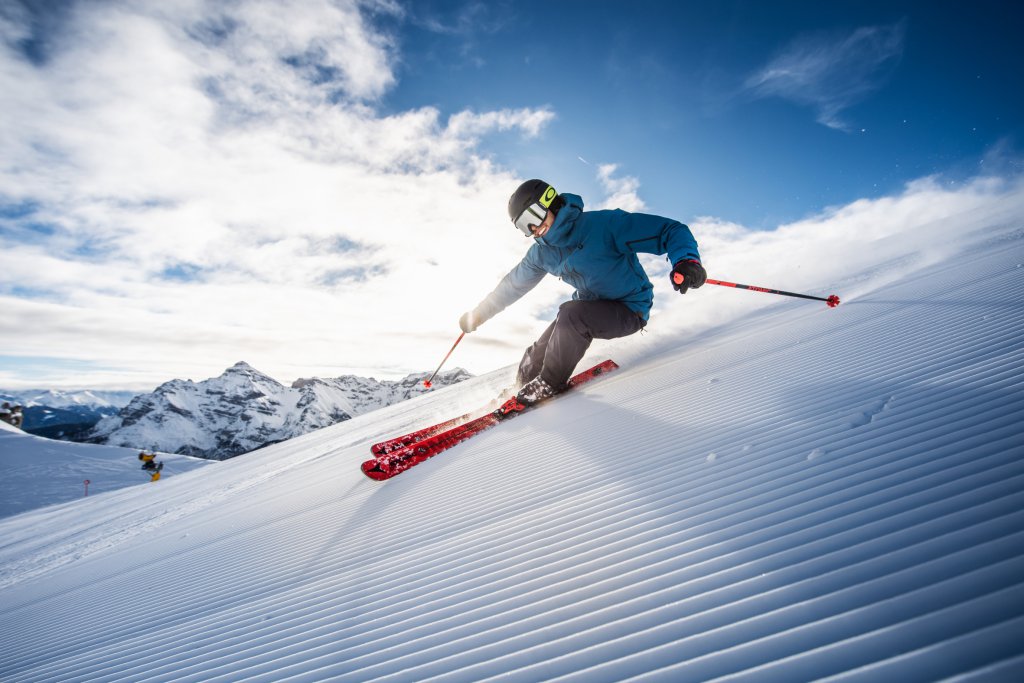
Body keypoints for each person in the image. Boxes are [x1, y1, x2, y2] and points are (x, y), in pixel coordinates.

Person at [459, 178, 705, 405]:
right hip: (588, 307)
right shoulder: (542, 253)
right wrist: (478, 315)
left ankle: (548, 385)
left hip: (630, 309)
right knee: (536, 355)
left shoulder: (604, 225)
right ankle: (521, 387)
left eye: (533, 217)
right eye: (524, 226)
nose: (534, 228)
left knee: (570, 314)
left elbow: (669, 230)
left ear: (550, 202)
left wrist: (687, 261)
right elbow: (511, 286)